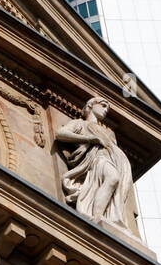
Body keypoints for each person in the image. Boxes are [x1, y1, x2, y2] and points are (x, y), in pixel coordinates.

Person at [55, 96, 136, 233]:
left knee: (117, 189)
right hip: (98, 158)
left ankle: (108, 218)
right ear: (91, 105)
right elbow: (60, 133)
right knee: (112, 178)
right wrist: (89, 138)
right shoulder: (80, 123)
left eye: (107, 108)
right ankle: (97, 216)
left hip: (116, 162)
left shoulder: (108, 132)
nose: (106, 110)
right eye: (103, 105)